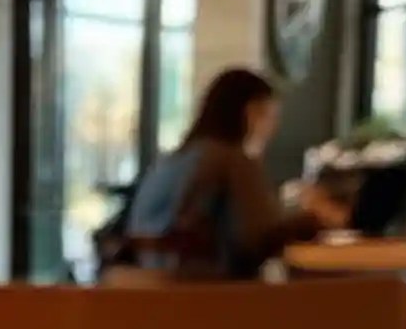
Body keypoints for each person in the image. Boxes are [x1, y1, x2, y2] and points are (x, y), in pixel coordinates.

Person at [127, 68, 349, 279]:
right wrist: (315, 219)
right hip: (211, 294)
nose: (273, 127)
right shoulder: (234, 161)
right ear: (251, 112)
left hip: (148, 289)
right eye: (270, 116)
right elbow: (259, 241)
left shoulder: (170, 161)